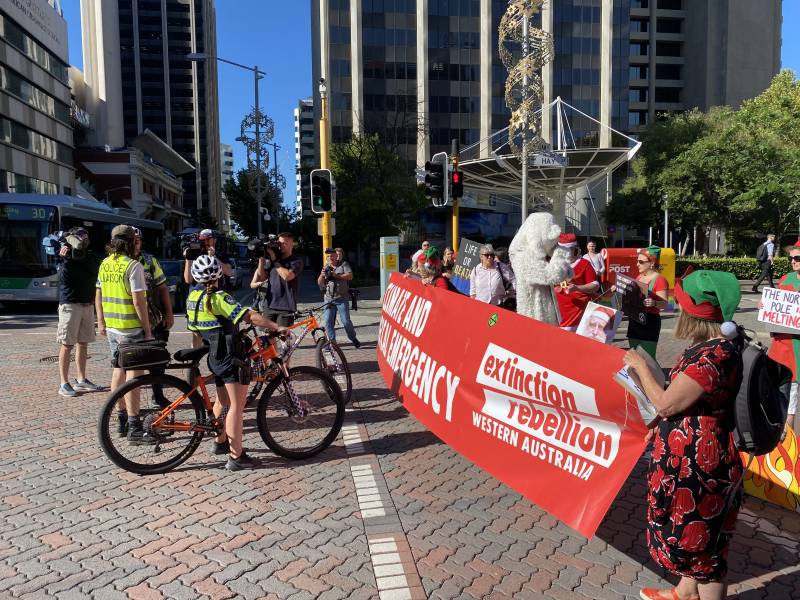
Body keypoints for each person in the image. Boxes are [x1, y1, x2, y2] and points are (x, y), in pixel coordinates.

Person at [624, 270, 744, 600]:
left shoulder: (715, 355)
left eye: (682, 303)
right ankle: (685, 592)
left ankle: (697, 592)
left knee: (707, 554)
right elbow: (680, 404)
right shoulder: (710, 346)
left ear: (694, 312)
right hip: (689, 455)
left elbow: (666, 403)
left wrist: (641, 367)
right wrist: (662, 427)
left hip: (702, 464)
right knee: (691, 536)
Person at [187, 255, 286, 470]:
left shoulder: (193, 296)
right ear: (218, 275)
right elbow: (249, 316)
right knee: (236, 407)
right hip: (230, 357)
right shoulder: (218, 297)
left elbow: (195, 329)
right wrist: (276, 327)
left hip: (214, 356)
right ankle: (236, 457)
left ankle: (220, 442)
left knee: (222, 401)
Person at [95, 225, 153, 443]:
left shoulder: (105, 263)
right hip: (131, 328)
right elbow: (139, 302)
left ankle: (121, 420)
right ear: (131, 242)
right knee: (133, 377)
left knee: (118, 371)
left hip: (112, 327)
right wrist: (148, 330)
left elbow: (98, 294)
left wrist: (101, 321)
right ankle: (134, 424)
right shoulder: (133, 266)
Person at [56, 227, 103, 397]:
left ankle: (81, 379)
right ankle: (64, 383)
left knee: (83, 343)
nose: (84, 240)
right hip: (70, 304)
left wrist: (83, 257)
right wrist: (64, 259)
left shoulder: (89, 256)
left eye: (86, 236)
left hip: (87, 304)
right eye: (81, 237)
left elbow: (95, 272)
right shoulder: (65, 256)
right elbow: (64, 279)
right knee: (67, 344)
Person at [767, 240, 800, 431]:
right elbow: (778, 309)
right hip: (780, 345)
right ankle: (778, 438)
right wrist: (765, 307)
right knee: (778, 396)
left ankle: (788, 441)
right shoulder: (785, 279)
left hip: (796, 349)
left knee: (791, 401)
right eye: (791, 258)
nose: (793, 261)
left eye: (797, 258)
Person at [183, 229, 233, 348]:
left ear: (214, 240)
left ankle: (217, 354)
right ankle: (195, 358)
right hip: (197, 297)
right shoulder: (195, 254)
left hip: (215, 298)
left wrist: (214, 257)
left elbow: (229, 272)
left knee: (218, 332)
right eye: (202, 240)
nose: (205, 242)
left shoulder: (220, 255)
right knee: (196, 334)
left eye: (208, 239)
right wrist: (188, 258)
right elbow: (188, 280)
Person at [251, 232, 303, 326]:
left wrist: (275, 260)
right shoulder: (273, 259)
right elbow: (263, 278)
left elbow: (287, 276)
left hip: (286, 306)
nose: (281, 246)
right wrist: (261, 261)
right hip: (269, 304)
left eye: (284, 243)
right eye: (280, 243)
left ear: (291, 244)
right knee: (267, 333)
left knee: (283, 334)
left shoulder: (296, 261)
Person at [627, 246, 669, 360]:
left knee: (648, 359)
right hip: (635, 320)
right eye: (637, 261)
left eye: (641, 262)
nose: (637, 264)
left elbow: (664, 304)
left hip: (650, 321)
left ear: (652, 263)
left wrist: (654, 302)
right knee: (634, 358)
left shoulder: (660, 279)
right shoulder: (640, 276)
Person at [132, 227, 174, 342]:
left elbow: (163, 288)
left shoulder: (150, 262)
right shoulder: (119, 262)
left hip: (151, 316)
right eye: (132, 240)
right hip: (128, 320)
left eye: (138, 240)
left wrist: (168, 313)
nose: (135, 243)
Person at [554, 233, 599, 331]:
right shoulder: (555, 265)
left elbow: (595, 285)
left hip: (578, 310)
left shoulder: (584, 264)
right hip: (558, 311)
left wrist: (577, 288)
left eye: (568, 250)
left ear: (575, 250)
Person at [317, 247, 361, 348]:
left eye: (331, 256)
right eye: (328, 256)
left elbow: (350, 276)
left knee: (346, 321)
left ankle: (353, 338)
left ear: (336, 256)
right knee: (328, 321)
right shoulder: (326, 267)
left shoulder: (343, 264)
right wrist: (322, 275)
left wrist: (336, 275)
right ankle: (331, 343)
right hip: (329, 299)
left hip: (342, 298)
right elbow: (320, 283)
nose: (330, 258)